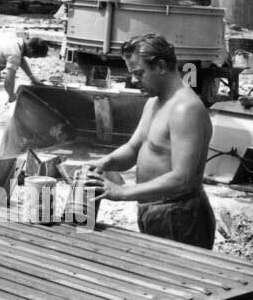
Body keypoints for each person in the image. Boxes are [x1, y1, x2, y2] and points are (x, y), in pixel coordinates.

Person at [88, 33, 216, 250]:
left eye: (139, 73)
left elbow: (182, 178)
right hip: (155, 210)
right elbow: (133, 148)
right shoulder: (154, 103)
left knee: (179, 281)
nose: (134, 80)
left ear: (162, 66)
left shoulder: (185, 109)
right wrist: (105, 163)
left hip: (180, 215)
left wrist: (122, 193)